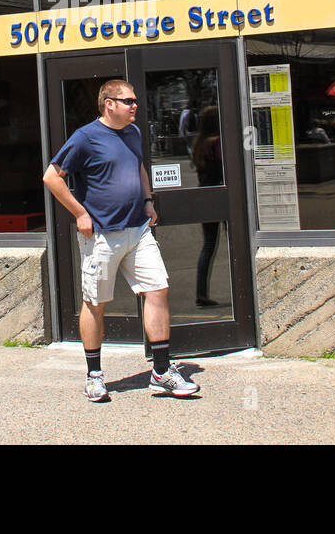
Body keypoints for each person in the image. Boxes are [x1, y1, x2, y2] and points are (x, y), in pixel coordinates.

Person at [43, 79, 200, 403]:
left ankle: (160, 371)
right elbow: (51, 177)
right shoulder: (85, 138)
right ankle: (94, 376)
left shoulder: (134, 132)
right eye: (128, 101)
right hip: (101, 235)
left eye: (135, 101)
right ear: (108, 103)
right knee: (96, 304)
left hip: (138, 230)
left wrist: (147, 200)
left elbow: (139, 166)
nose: (135, 106)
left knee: (158, 290)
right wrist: (80, 213)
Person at [190, 105, 222, 308]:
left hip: (204, 197)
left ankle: (201, 293)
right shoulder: (217, 142)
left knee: (208, 246)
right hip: (219, 195)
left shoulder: (199, 143)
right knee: (235, 242)